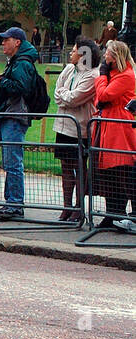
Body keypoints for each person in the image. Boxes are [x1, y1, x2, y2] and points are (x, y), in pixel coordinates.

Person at [0, 26, 39, 220]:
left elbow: (21, 87)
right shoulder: (17, 62)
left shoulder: (22, 63)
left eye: (5, 39)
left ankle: (15, 204)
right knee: (10, 161)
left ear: (17, 42)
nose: (2, 43)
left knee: (13, 162)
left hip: (15, 116)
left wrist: (0, 82)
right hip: (10, 115)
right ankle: (11, 202)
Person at [51, 37, 99, 222]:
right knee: (65, 167)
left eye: (74, 50)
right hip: (63, 126)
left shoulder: (92, 75)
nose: (71, 53)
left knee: (79, 167)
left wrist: (64, 95)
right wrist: (64, 94)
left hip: (80, 129)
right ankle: (66, 207)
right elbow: (58, 90)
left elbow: (74, 98)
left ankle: (79, 208)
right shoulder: (70, 69)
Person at [91, 40, 136, 228]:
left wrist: (101, 79)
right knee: (108, 173)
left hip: (120, 130)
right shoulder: (113, 75)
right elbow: (98, 99)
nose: (104, 56)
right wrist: (103, 85)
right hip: (107, 126)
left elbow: (105, 95)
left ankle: (120, 214)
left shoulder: (126, 76)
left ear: (115, 56)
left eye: (107, 53)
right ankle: (112, 214)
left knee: (121, 171)